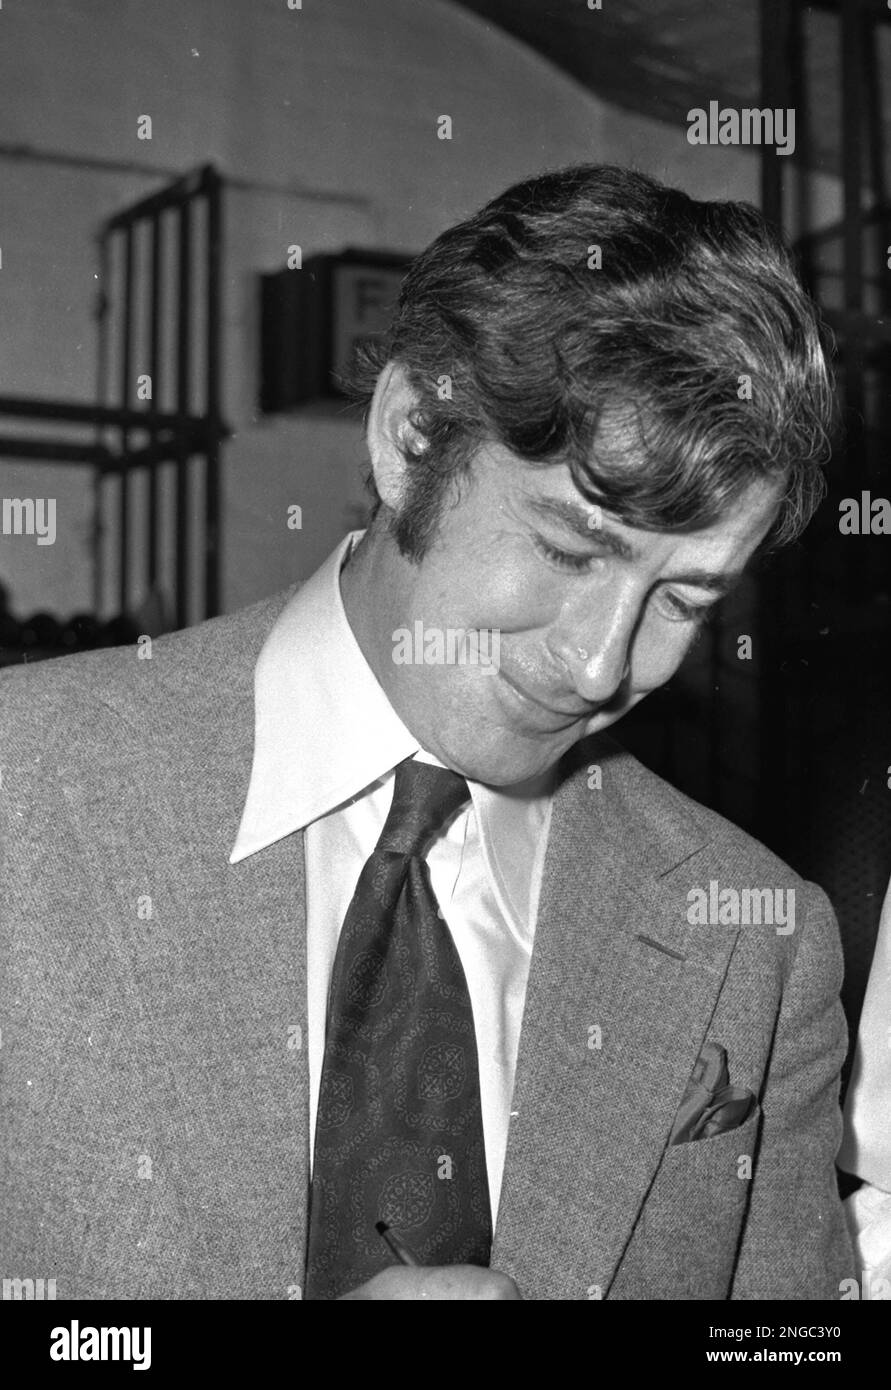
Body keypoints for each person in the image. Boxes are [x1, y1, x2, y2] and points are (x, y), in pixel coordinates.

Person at [0, 164, 855, 1300]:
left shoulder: (760, 941)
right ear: (411, 439)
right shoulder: (25, 792)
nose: (603, 662)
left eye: (685, 600)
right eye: (567, 548)